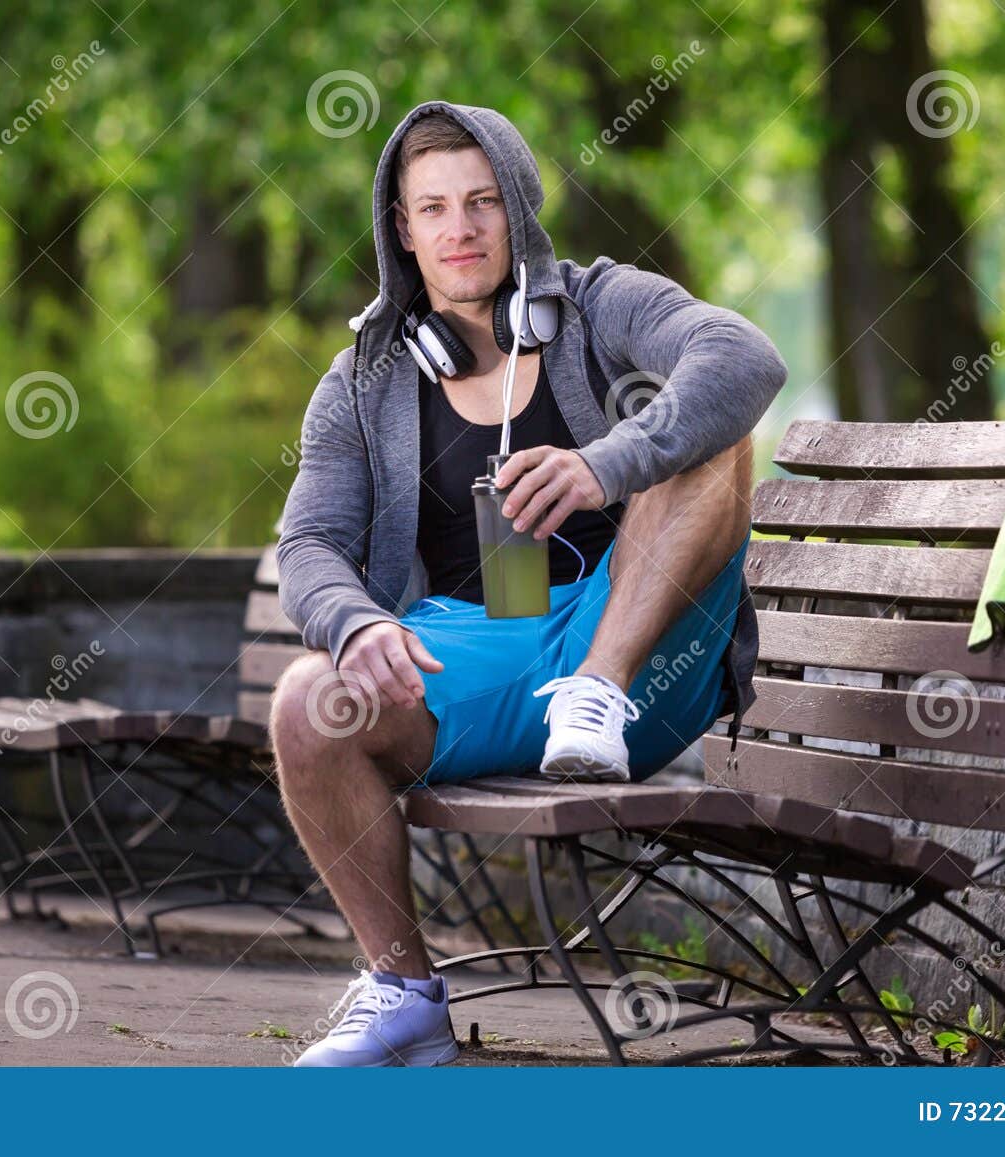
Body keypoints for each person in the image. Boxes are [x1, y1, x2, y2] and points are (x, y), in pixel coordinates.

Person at [271, 101, 786, 1066]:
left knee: (716, 429)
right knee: (310, 703)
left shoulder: (601, 302)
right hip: (481, 640)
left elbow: (747, 358)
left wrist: (608, 463)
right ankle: (402, 995)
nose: (459, 230)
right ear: (403, 231)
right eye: (433, 210)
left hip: (642, 651)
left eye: (480, 202)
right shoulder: (363, 379)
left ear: (519, 207)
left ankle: (594, 687)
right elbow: (308, 541)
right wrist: (350, 625)